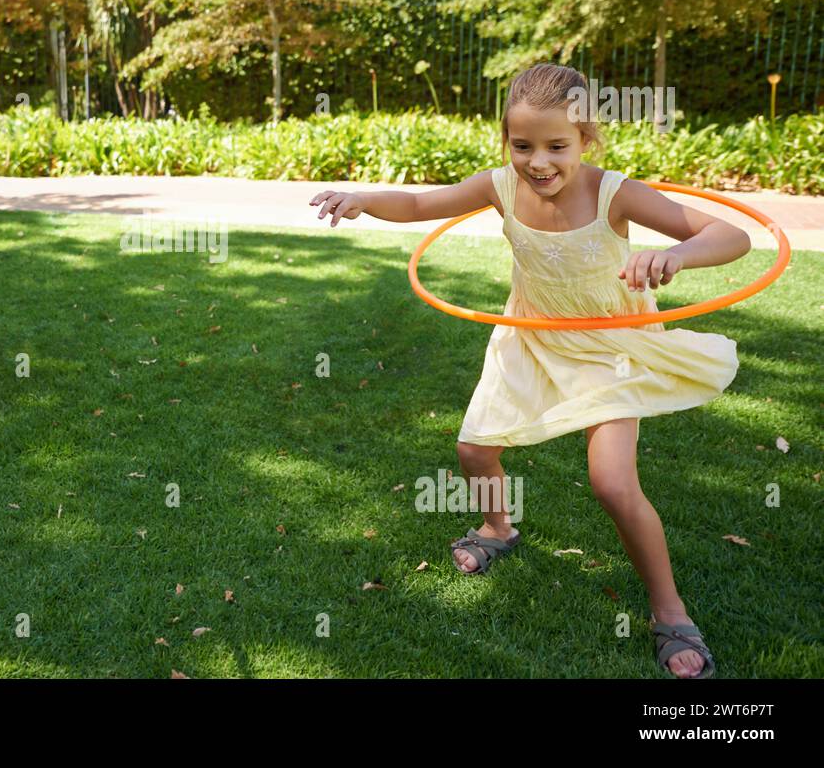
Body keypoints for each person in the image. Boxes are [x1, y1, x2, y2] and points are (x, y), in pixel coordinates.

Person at [309, 63, 751, 680]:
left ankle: (671, 613)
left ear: (587, 140)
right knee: (472, 451)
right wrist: (361, 198)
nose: (538, 162)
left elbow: (731, 235)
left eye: (556, 146)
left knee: (613, 485)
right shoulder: (500, 186)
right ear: (505, 142)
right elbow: (416, 202)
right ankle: (498, 527)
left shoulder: (612, 192)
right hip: (531, 336)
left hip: (610, 346)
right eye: (522, 146)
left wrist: (675, 255)